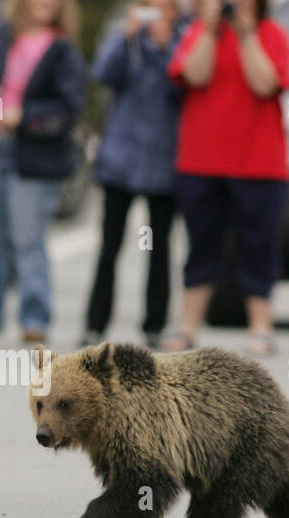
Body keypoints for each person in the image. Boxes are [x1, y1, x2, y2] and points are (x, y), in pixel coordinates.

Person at [161, 0, 289, 357]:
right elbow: (194, 76)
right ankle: (187, 327)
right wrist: (208, 30)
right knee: (201, 244)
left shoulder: (273, 35)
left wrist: (246, 35)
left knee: (258, 245)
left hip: (258, 163)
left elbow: (265, 84)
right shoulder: (195, 34)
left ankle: (261, 328)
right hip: (202, 160)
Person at [0, 0, 86, 344]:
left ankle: (34, 318)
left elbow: (68, 107)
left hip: (34, 157)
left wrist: (23, 116)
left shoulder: (62, 49)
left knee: (28, 240)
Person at [82, 0, 187, 349]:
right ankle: (95, 325)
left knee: (160, 249)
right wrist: (127, 38)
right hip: (122, 159)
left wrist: (165, 45)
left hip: (164, 159)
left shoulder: (185, 40)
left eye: (164, 8)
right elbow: (103, 75)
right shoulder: (126, 39)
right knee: (109, 246)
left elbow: (185, 85)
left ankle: (154, 325)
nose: (156, 15)